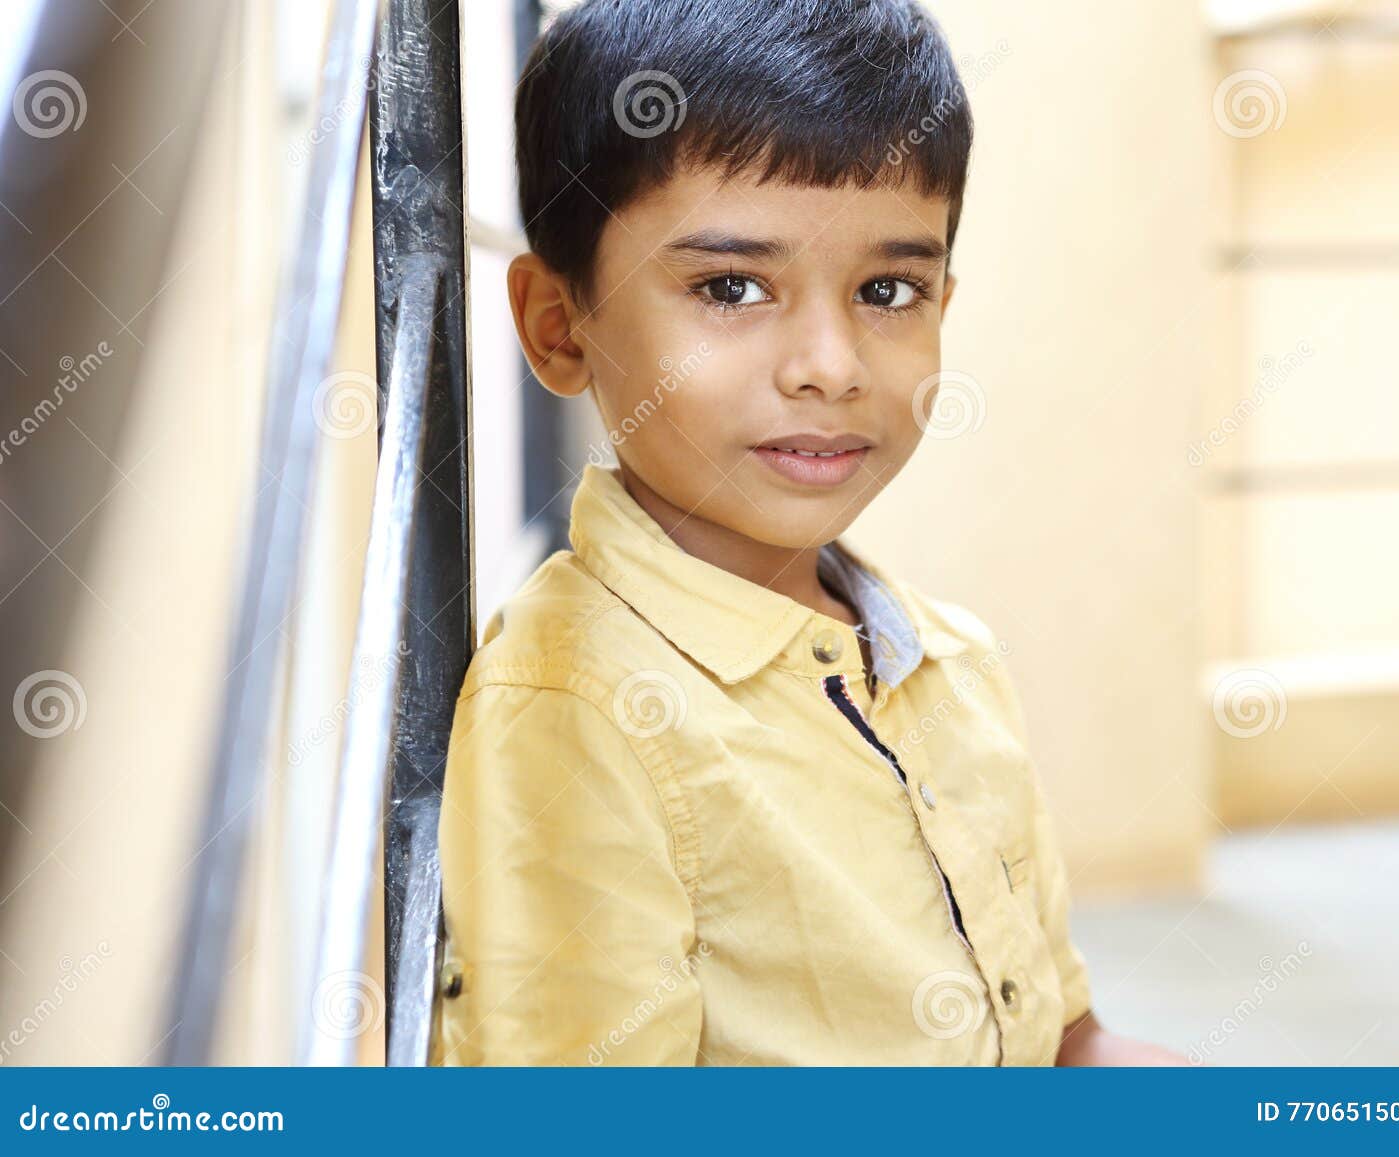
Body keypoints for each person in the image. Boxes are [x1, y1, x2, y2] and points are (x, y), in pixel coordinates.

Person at [430, 0, 1184, 1066]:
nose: (830, 363)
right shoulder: (572, 708)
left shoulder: (949, 658)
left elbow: (1060, 1044)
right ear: (560, 326)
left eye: (888, 290)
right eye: (731, 287)